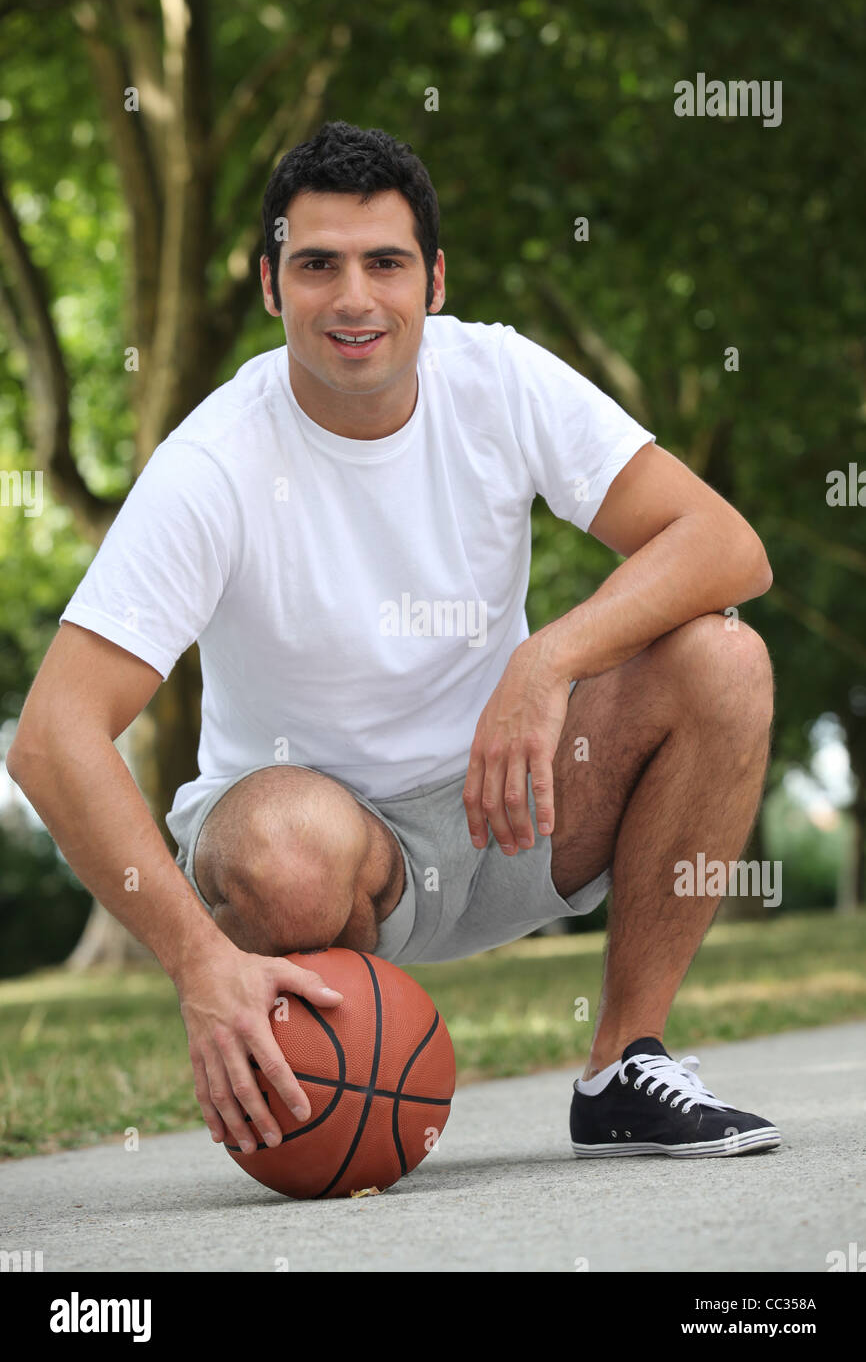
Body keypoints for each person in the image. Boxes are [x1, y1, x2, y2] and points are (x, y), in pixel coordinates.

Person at [8, 120, 780, 1163]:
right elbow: (53, 737)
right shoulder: (213, 463)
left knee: (723, 658)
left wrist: (544, 659)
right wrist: (199, 966)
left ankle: (621, 1064)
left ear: (435, 280)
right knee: (283, 850)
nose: (355, 298)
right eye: (317, 264)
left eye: (386, 262)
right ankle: (342, 1068)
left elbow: (724, 545)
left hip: (511, 808)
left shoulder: (497, 378)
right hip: (325, 857)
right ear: (273, 287)